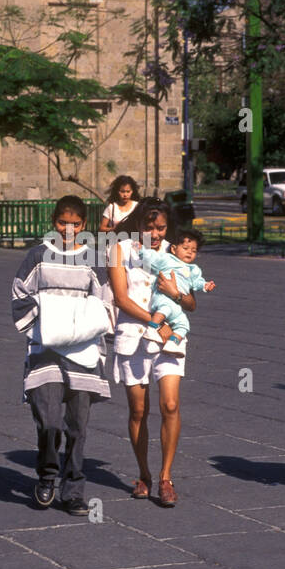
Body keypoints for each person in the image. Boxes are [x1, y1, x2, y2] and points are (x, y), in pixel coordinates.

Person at [11, 196, 112, 515]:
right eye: (62, 222)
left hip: (83, 353)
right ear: (53, 222)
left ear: (84, 225)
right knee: (49, 422)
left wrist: (83, 326)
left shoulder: (93, 258)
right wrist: (47, 319)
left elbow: (105, 303)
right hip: (46, 352)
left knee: (77, 427)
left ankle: (74, 491)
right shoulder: (38, 256)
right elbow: (19, 295)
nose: (68, 229)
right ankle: (46, 476)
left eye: (76, 224)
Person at [106, 198, 196, 507]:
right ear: (138, 224)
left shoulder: (176, 252)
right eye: (149, 228)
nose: (155, 235)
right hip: (134, 337)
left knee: (170, 404)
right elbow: (120, 298)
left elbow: (191, 303)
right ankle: (143, 474)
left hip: (170, 339)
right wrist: (154, 320)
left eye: (160, 228)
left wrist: (175, 294)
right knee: (138, 410)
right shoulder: (120, 249)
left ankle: (166, 477)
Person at [135, 227, 216, 356]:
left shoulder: (193, 269)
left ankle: (172, 344)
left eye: (193, 251)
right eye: (185, 249)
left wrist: (205, 285)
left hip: (177, 305)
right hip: (162, 298)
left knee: (184, 324)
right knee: (164, 309)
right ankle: (151, 330)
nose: (189, 252)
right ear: (173, 249)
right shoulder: (167, 259)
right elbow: (151, 259)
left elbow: (197, 282)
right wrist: (141, 250)